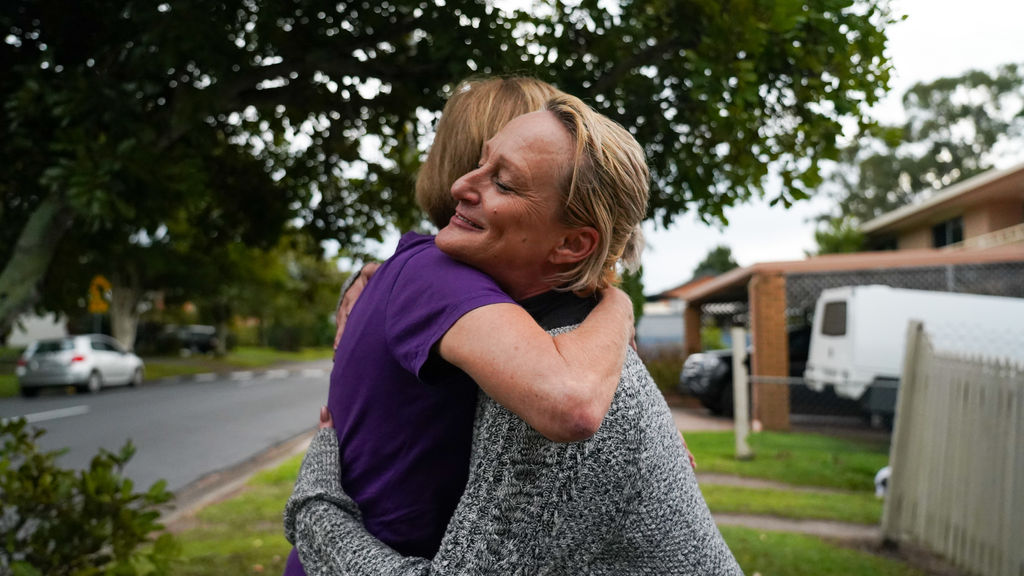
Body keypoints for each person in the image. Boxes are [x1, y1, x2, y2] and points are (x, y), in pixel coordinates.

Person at [285, 96, 743, 574]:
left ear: (571, 244)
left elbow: (574, 407)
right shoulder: (553, 344)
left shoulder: (546, 392)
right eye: (478, 162)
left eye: (504, 181)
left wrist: (316, 503)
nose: (460, 184)